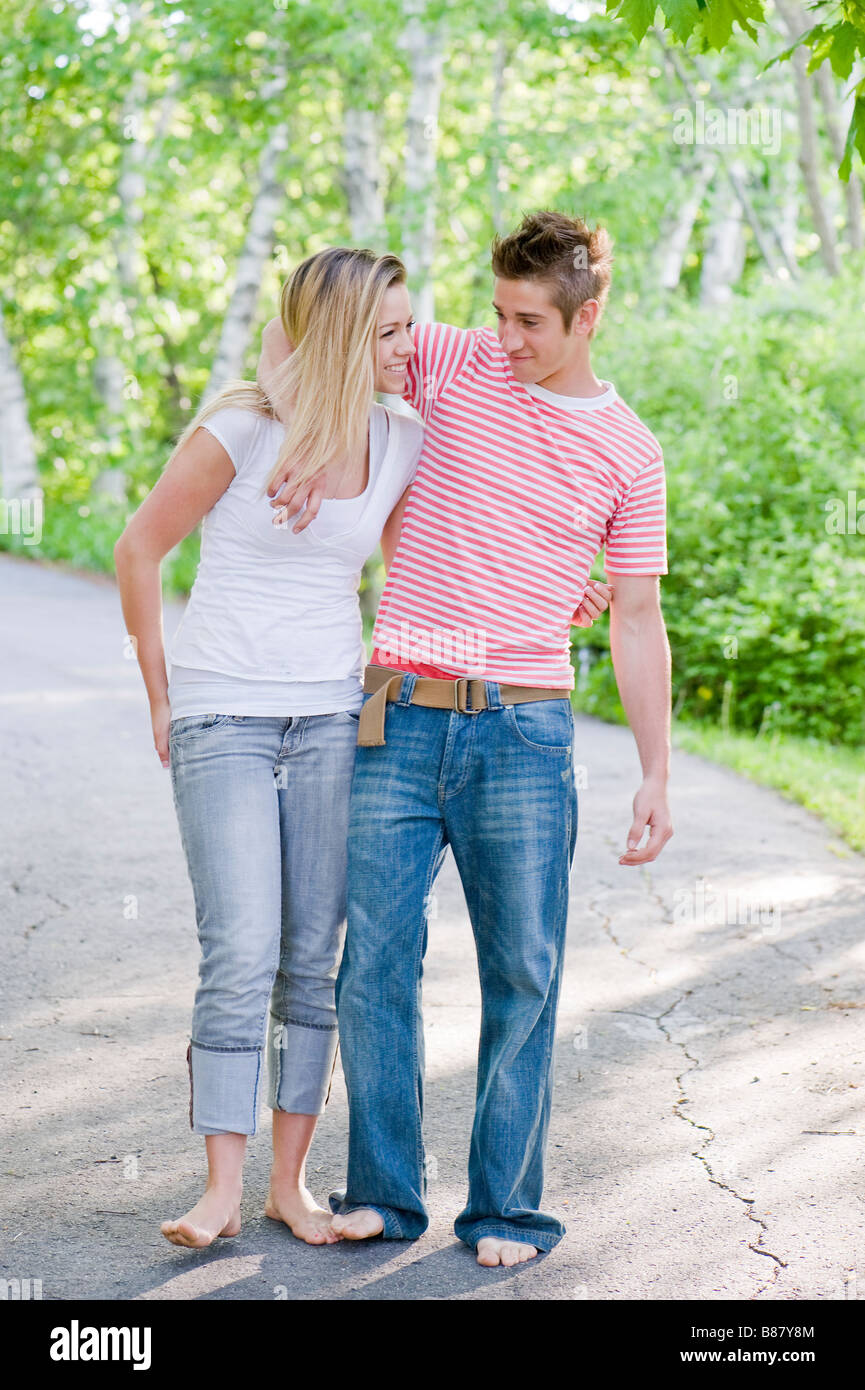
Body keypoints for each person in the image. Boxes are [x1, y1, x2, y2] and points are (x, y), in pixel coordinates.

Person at [257, 209, 672, 1268]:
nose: (506, 339)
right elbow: (302, 334)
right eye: (496, 312)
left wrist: (656, 771)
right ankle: (386, 1196)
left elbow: (633, 614)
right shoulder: (452, 359)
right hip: (393, 713)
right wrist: (305, 436)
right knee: (374, 966)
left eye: (530, 321)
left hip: (523, 729)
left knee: (523, 974)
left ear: (588, 316)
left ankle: (504, 1210)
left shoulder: (630, 452)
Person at [113, 247, 429, 1248]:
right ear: (339, 337)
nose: (407, 345)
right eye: (387, 330)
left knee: (308, 957)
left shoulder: (398, 436)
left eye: (409, 324)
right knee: (240, 949)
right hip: (224, 715)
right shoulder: (241, 427)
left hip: (335, 715)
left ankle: (288, 1186)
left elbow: (457, 535)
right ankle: (217, 1188)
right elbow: (138, 548)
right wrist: (163, 694)